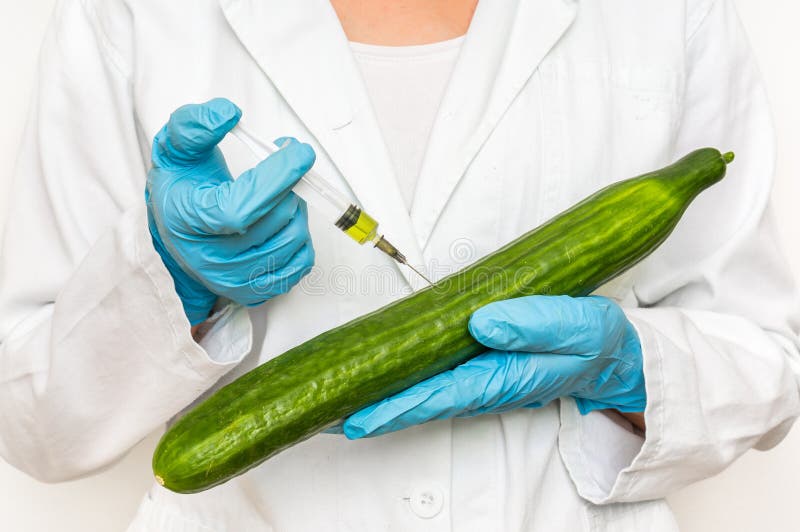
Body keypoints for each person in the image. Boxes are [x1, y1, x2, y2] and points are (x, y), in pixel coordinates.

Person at [1, 0, 798, 530]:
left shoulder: (670, 12)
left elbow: (767, 358)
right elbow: (29, 415)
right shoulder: (134, 15)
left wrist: (633, 370)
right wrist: (172, 277)